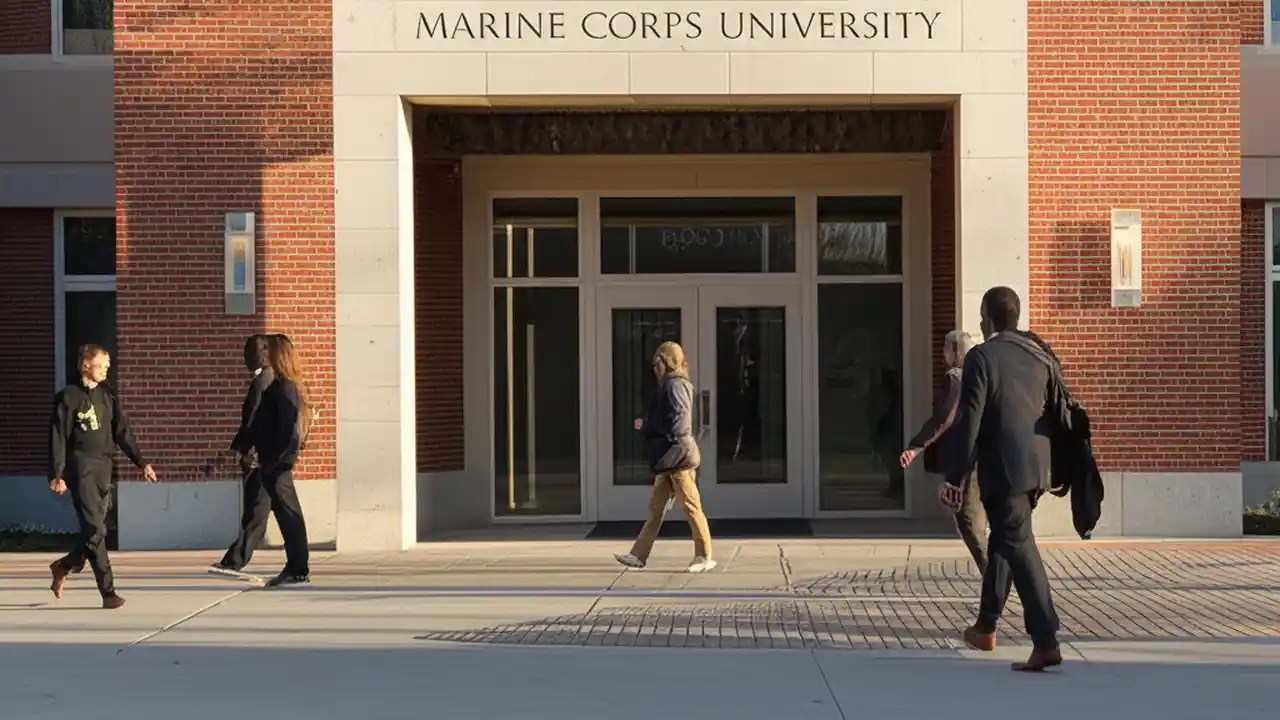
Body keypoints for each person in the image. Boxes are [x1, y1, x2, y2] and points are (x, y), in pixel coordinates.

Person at [946, 287, 1062, 672]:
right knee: (1004, 540)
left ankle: (1046, 639)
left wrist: (954, 476)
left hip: (1005, 469)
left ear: (989, 318)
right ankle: (985, 625)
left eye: (981, 315)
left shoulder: (982, 357)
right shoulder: (1038, 352)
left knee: (1019, 545)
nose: (980, 322)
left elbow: (969, 421)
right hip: (1037, 468)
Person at [47, 344, 158, 609]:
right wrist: (56, 474)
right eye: (101, 365)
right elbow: (58, 438)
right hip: (80, 467)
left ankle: (65, 564)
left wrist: (141, 462)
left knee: (95, 530)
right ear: (86, 364)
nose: (106, 370)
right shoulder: (68, 397)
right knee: (95, 529)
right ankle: (108, 592)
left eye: (108, 366)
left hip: (104, 468)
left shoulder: (108, 395)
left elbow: (123, 432)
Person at [613, 341, 715, 574]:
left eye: (657, 361)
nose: (654, 366)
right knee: (656, 508)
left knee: (691, 505)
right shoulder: (673, 384)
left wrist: (648, 425)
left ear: (667, 361)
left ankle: (704, 555)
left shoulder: (675, 385)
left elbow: (677, 419)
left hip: (677, 456)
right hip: (670, 456)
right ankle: (638, 555)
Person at [900, 330, 988, 573]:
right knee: (983, 523)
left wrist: (917, 446)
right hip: (987, 458)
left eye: (945, 349)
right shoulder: (983, 374)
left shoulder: (956, 377)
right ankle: (999, 579)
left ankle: (996, 580)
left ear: (956, 352)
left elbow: (944, 417)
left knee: (968, 521)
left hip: (966, 462)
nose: (942, 354)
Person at [208, 334, 275, 581]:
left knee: (257, 512)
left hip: (258, 458)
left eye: (253, 351)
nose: (247, 357)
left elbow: (252, 422)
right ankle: (235, 559)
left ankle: (234, 561)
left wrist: (240, 450)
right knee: (261, 512)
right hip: (260, 456)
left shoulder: (263, 381)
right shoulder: (265, 379)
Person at [255, 334, 314, 587]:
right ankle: (294, 567)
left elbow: (290, 429)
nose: (263, 352)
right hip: (271, 461)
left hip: (277, 463)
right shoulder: (277, 385)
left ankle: (298, 569)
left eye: (268, 349)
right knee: (285, 515)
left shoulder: (286, 388)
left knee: (290, 517)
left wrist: (279, 460)